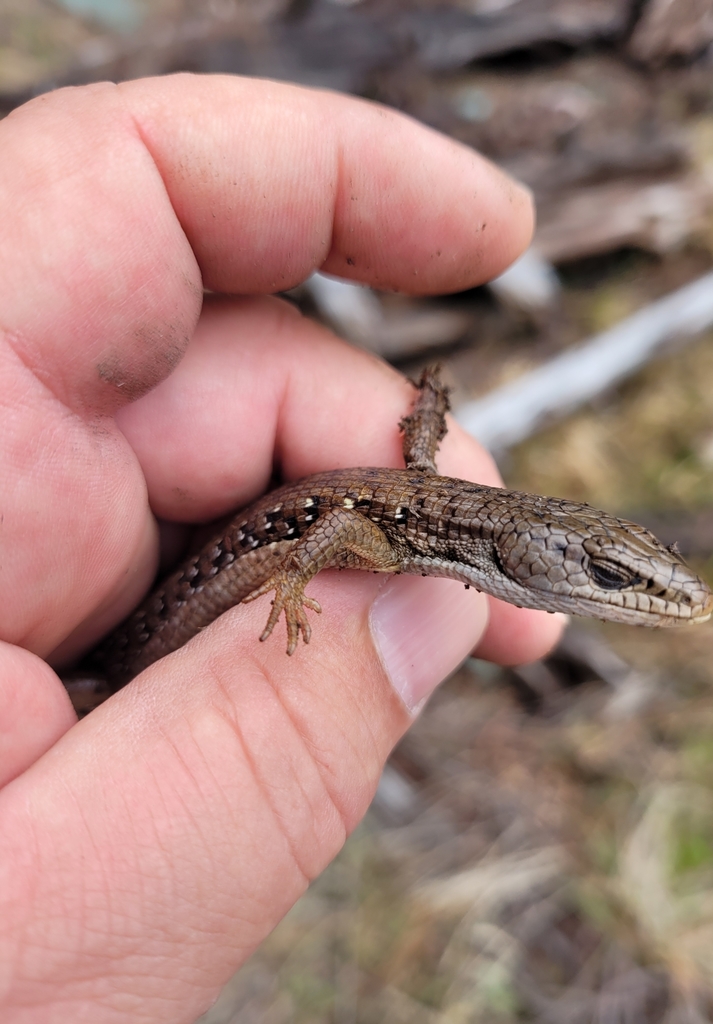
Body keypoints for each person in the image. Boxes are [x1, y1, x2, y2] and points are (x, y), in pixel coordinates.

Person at [0, 74, 564, 1022]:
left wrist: (428, 410)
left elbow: (418, 459)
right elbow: (347, 526)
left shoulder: (431, 520)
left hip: (181, 591)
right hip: (178, 603)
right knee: (109, 680)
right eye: (609, 577)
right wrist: (298, 582)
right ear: (524, 558)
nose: (619, 592)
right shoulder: (402, 542)